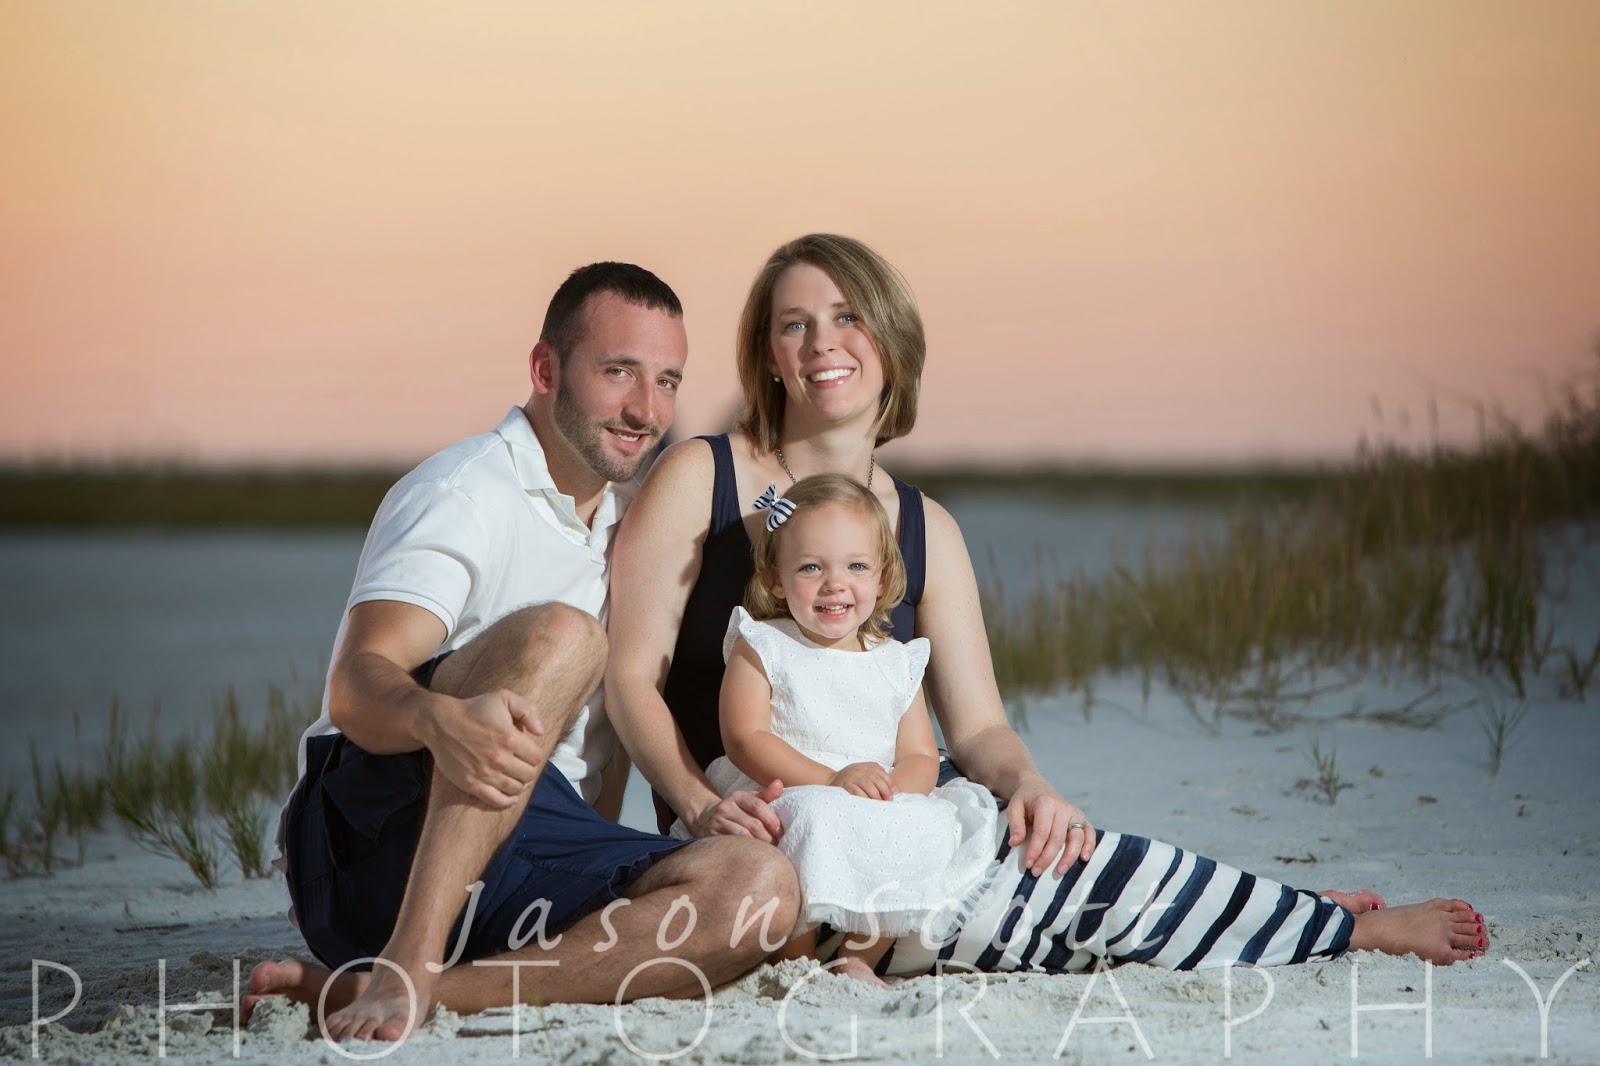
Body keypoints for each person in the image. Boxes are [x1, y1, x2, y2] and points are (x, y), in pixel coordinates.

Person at [606, 233, 1489, 976]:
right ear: (768, 354)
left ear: (890, 334)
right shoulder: (706, 477)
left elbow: (978, 729)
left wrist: (1032, 787)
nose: (820, 342)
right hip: (761, 823)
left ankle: (1304, 919)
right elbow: (630, 679)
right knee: (1019, 919)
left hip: (904, 808)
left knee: (1067, 856)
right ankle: (1286, 921)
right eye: (792, 324)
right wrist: (693, 801)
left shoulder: (925, 528)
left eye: (846, 316)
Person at [245, 262, 800, 1043]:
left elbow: (597, 767)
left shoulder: (626, 533)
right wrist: (438, 721)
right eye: (618, 373)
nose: (646, 409)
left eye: (668, 382)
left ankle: (419, 991)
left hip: (525, 859)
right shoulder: (469, 492)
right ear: (546, 370)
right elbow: (356, 686)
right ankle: (406, 962)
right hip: (377, 841)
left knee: (761, 888)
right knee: (565, 637)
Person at [703, 474, 1003, 986]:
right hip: (791, 787)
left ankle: (861, 955)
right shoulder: (766, 644)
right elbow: (745, 737)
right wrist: (831, 779)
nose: (835, 583)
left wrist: (893, 795)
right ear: (776, 578)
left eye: (856, 567)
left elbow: (920, 755)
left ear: (882, 581)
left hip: (868, 793)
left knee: (929, 822)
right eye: (811, 567)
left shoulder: (895, 662)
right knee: (813, 818)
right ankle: (794, 958)